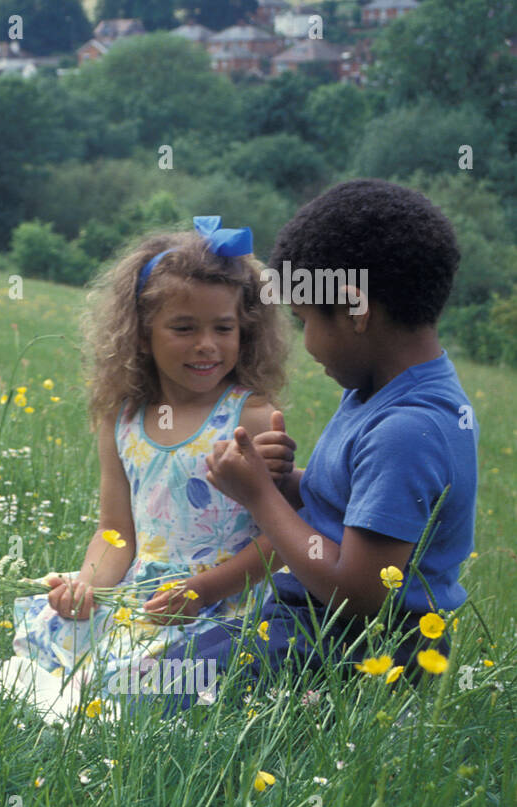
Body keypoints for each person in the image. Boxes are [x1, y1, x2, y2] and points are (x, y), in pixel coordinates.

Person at [0, 217, 292, 723]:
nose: (207, 344)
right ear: (141, 331)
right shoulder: (123, 417)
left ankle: (99, 709)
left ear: (246, 330)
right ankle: (71, 704)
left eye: (224, 328)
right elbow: (114, 532)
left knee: (147, 686)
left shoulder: (251, 417)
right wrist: (87, 585)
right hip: (141, 594)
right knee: (58, 647)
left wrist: (203, 592)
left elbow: (281, 539)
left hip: (224, 604)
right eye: (183, 328)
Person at [174, 179, 477, 707]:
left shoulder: (407, 429)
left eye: (306, 319)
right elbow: (343, 510)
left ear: (356, 311)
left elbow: (358, 594)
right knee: (158, 669)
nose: (305, 342)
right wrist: (282, 479)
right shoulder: (377, 390)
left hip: (352, 648)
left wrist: (260, 499)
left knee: (147, 696)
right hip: (308, 622)